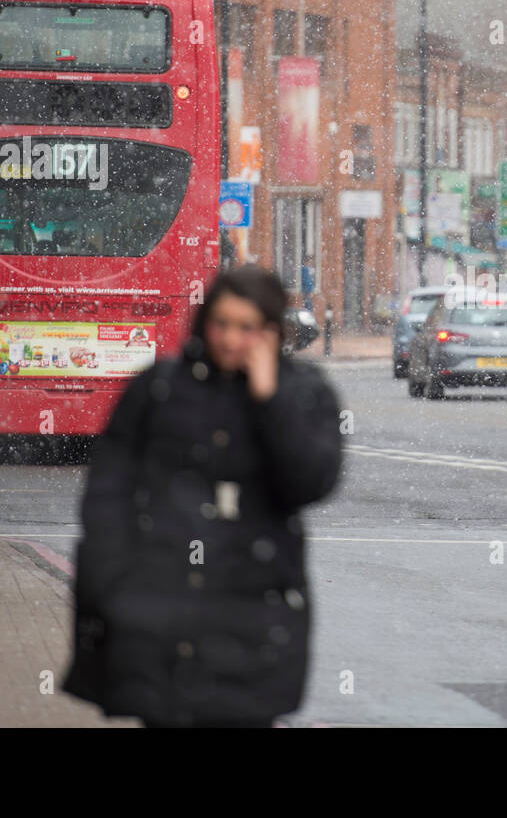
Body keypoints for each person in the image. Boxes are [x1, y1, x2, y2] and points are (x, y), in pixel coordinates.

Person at [64, 266, 343, 728]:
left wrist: (269, 398)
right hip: (161, 608)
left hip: (253, 611)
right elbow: (108, 491)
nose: (231, 339)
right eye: (222, 323)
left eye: (246, 327)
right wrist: (112, 580)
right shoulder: (159, 389)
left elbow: (311, 482)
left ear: (271, 331)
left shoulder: (303, 393)